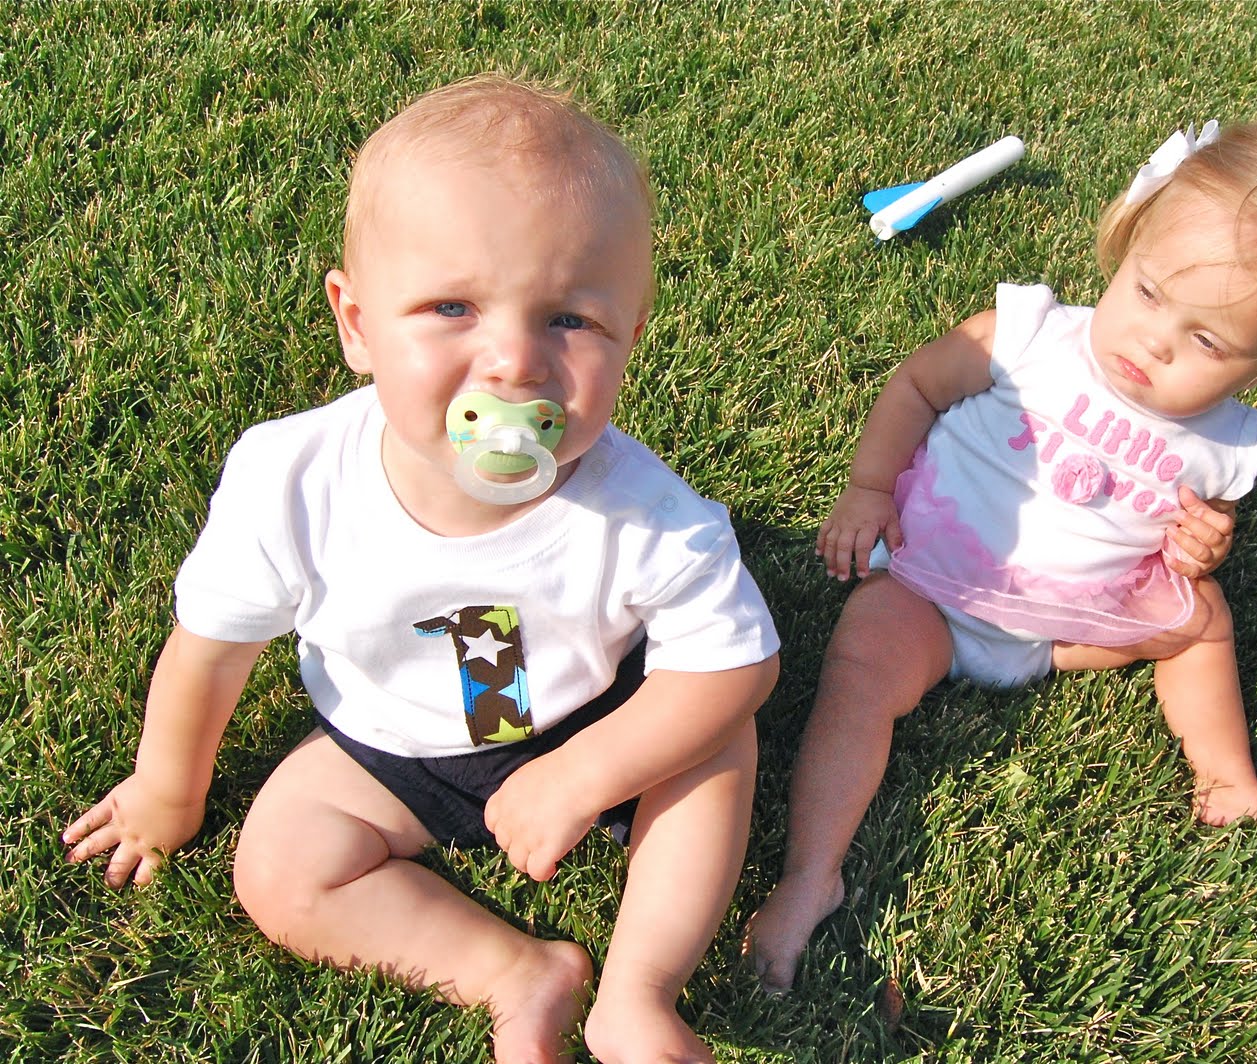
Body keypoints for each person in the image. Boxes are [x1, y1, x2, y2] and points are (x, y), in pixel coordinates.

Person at [61, 74, 781, 1064]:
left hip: (596, 713)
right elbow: (210, 653)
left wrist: (590, 768)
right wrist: (164, 791)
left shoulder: (644, 509)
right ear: (357, 324)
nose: (514, 363)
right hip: (396, 742)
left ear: (632, 337)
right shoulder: (292, 482)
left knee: (715, 741)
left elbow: (735, 664)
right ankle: (514, 972)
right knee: (280, 866)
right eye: (452, 306)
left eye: (570, 319)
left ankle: (636, 993)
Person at [743, 116, 1257, 992]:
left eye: (1207, 341)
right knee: (861, 667)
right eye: (1146, 293)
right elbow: (915, 383)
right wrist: (870, 489)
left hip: (1071, 627)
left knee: (1201, 618)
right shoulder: (1028, 336)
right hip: (938, 589)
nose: (1154, 342)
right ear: (1127, 245)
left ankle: (1227, 778)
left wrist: (1205, 544)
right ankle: (810, 874)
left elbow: (1194, 522)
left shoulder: (1230, 441)